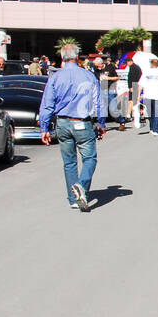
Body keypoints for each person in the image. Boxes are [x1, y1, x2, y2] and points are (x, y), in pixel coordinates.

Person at [37, 41, 107, 212]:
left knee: (69, 162)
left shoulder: (55, 77)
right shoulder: (88, 76)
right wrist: (101, 123)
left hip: (62, 122)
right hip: (81, 122)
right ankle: (81, 187)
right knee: (89, 158)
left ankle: (73, 199)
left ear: (62, 58)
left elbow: (46, 104)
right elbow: (98, 101)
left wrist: (44, 128)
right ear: (77, 57)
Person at [126, 52, 143, 129]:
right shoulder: (135, 67)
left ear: (130, 61)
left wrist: (131, 86)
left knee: (133, 100)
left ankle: (132, 114)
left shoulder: (134, 68)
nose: (127, 64)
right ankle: (129, 114)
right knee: (131, 100)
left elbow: (132, 78)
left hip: (134, 86)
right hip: (134, 85)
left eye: (127, 63)